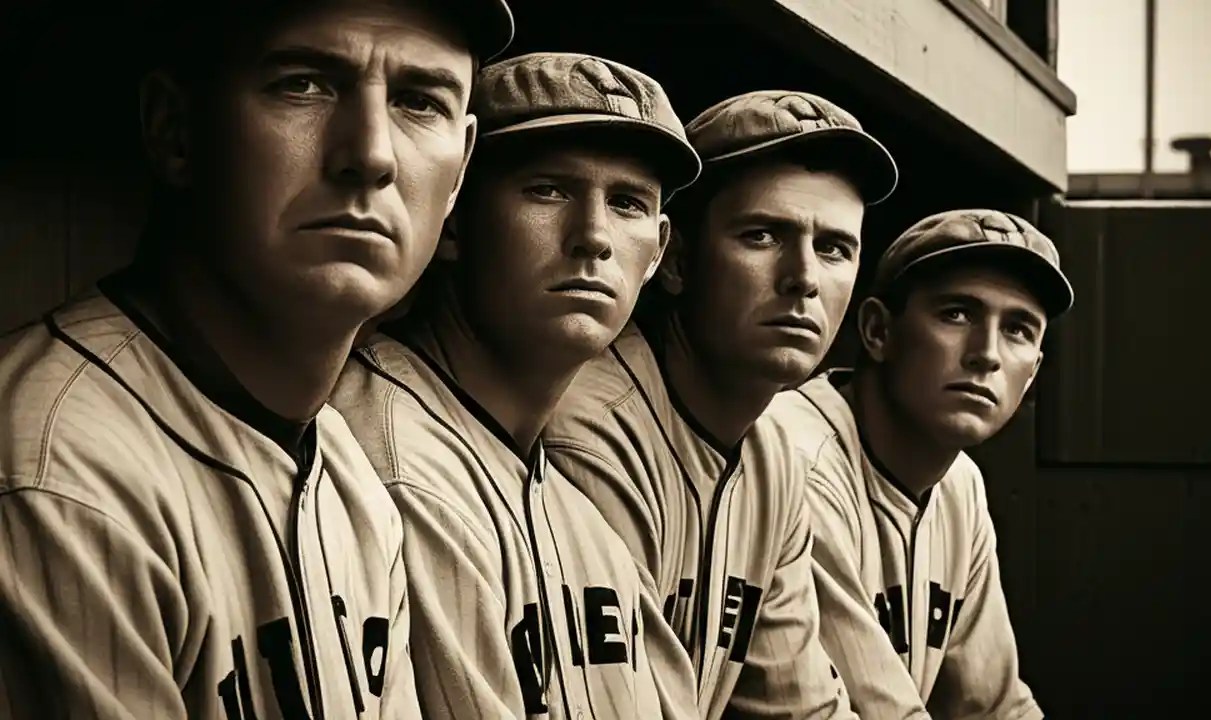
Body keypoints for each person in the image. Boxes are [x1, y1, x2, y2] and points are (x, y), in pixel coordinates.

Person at [0, 0, 513, 717]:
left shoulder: (354, 484)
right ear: (175, 130)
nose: (370, 154)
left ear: (458, 171)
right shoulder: (53, 476)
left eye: (418, 102)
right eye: (304, 84)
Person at [328, 52, 704, 719]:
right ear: (451, 222)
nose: (592, 237)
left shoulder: (581, 520)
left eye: (627, 204)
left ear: (657, 254)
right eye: (547, 190)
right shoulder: (389, 459)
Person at [542, 89, 899, 718]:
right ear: (675, 259)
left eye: (835, 248)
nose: (804, 277)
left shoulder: (774, 458)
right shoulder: (589, 431)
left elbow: (800, 704)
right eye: (762, 235)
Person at [764, 209, 1074, 719]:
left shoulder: (960, 483)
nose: (986, 355)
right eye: (957, 314)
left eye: (1018, 329)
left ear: (1034, 371)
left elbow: (993, 706)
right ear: (877, 331)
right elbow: (876, 711)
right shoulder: (797, 458)